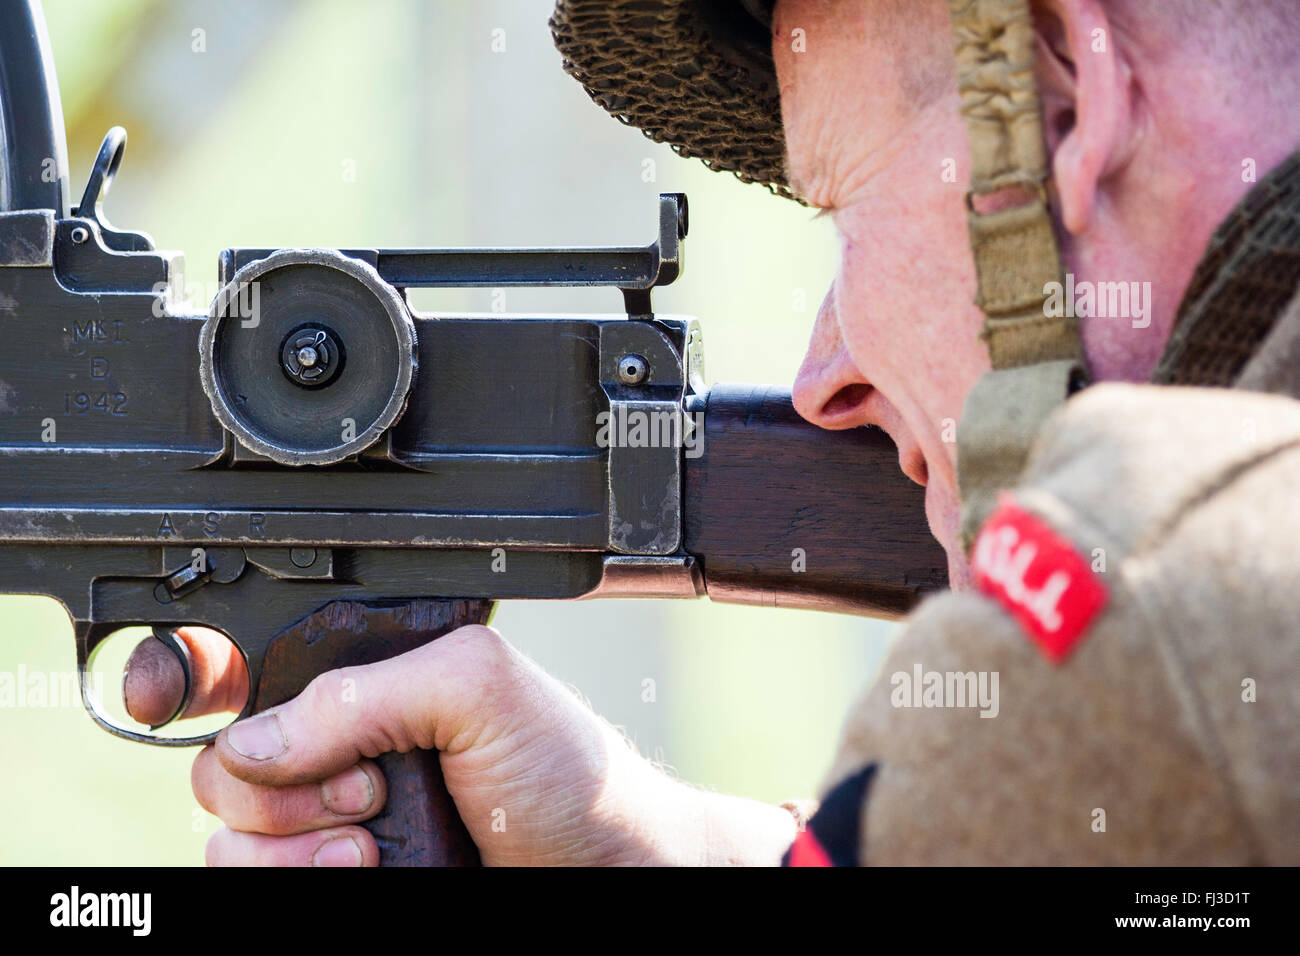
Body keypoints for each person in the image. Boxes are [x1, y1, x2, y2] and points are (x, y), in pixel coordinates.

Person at [125, 0, 1300, 865]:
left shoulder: (1161, 591)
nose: (822, 380)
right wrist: (643, 846)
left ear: (1064, 104)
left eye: (842, 202)